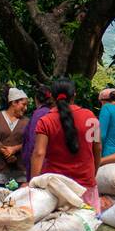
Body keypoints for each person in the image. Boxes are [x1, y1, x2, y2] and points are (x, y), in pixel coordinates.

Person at [31, 78, 102, 208]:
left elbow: (39, 153)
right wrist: (92, 175)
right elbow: (97, 148)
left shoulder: (45, 121)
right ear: (74, 94)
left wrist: (33, 184)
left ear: (52, 96)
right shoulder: (90, 117)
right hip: (85, 185)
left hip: (55, 187)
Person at [0, 87, 29, 185]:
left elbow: (30, 141)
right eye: (24, 104)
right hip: (0, 169)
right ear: (13, 102)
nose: (26, 108)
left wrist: (14, 149)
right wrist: (5, 151)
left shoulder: (26, 121)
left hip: (20, 171)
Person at [23, 85, 55, 180]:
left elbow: (34, 144)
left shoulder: (39, 114)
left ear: (36, 99)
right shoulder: (52, 112)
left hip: (40, 166)